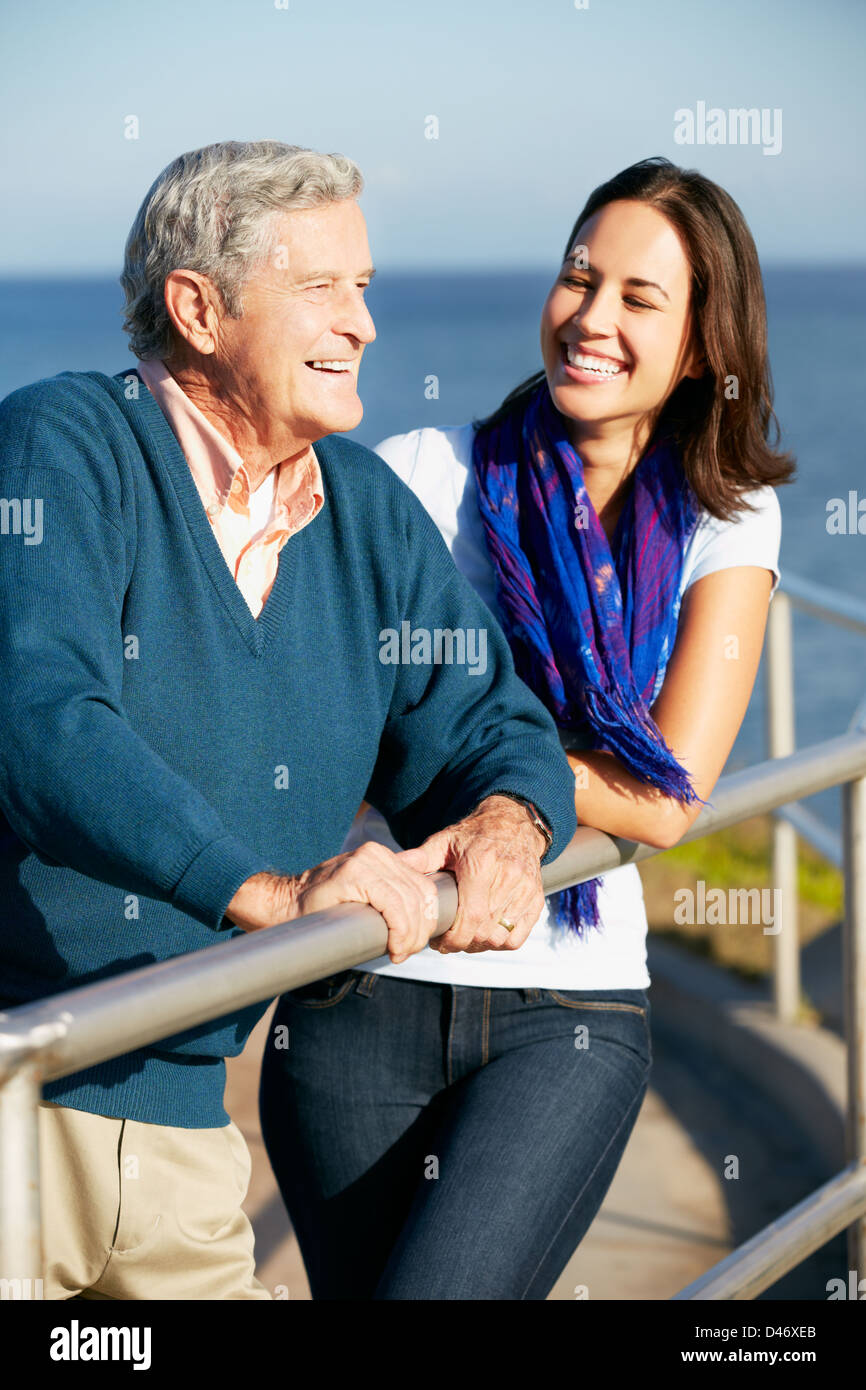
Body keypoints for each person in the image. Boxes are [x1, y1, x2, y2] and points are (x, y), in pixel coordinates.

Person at [0, 140, 578, 1300]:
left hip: (185, 1140)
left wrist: (508, 823)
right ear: (197, 307)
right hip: (16, 1100)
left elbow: (490, 721)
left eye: (363, 288)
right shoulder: (62, 443)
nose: (361, 325)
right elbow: (41, 719)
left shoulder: (362, 511)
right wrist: (267, 894)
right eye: (321, 288)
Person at [259, 157, 793, 1301]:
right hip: (362, 985)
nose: (588, 318)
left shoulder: (726, 518)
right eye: (576, 277)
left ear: (702, 344)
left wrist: (492, 774)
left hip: (570, 1009)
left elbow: (667, 794)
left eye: (638, 299)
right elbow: (306, 724)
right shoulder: (420, 480)